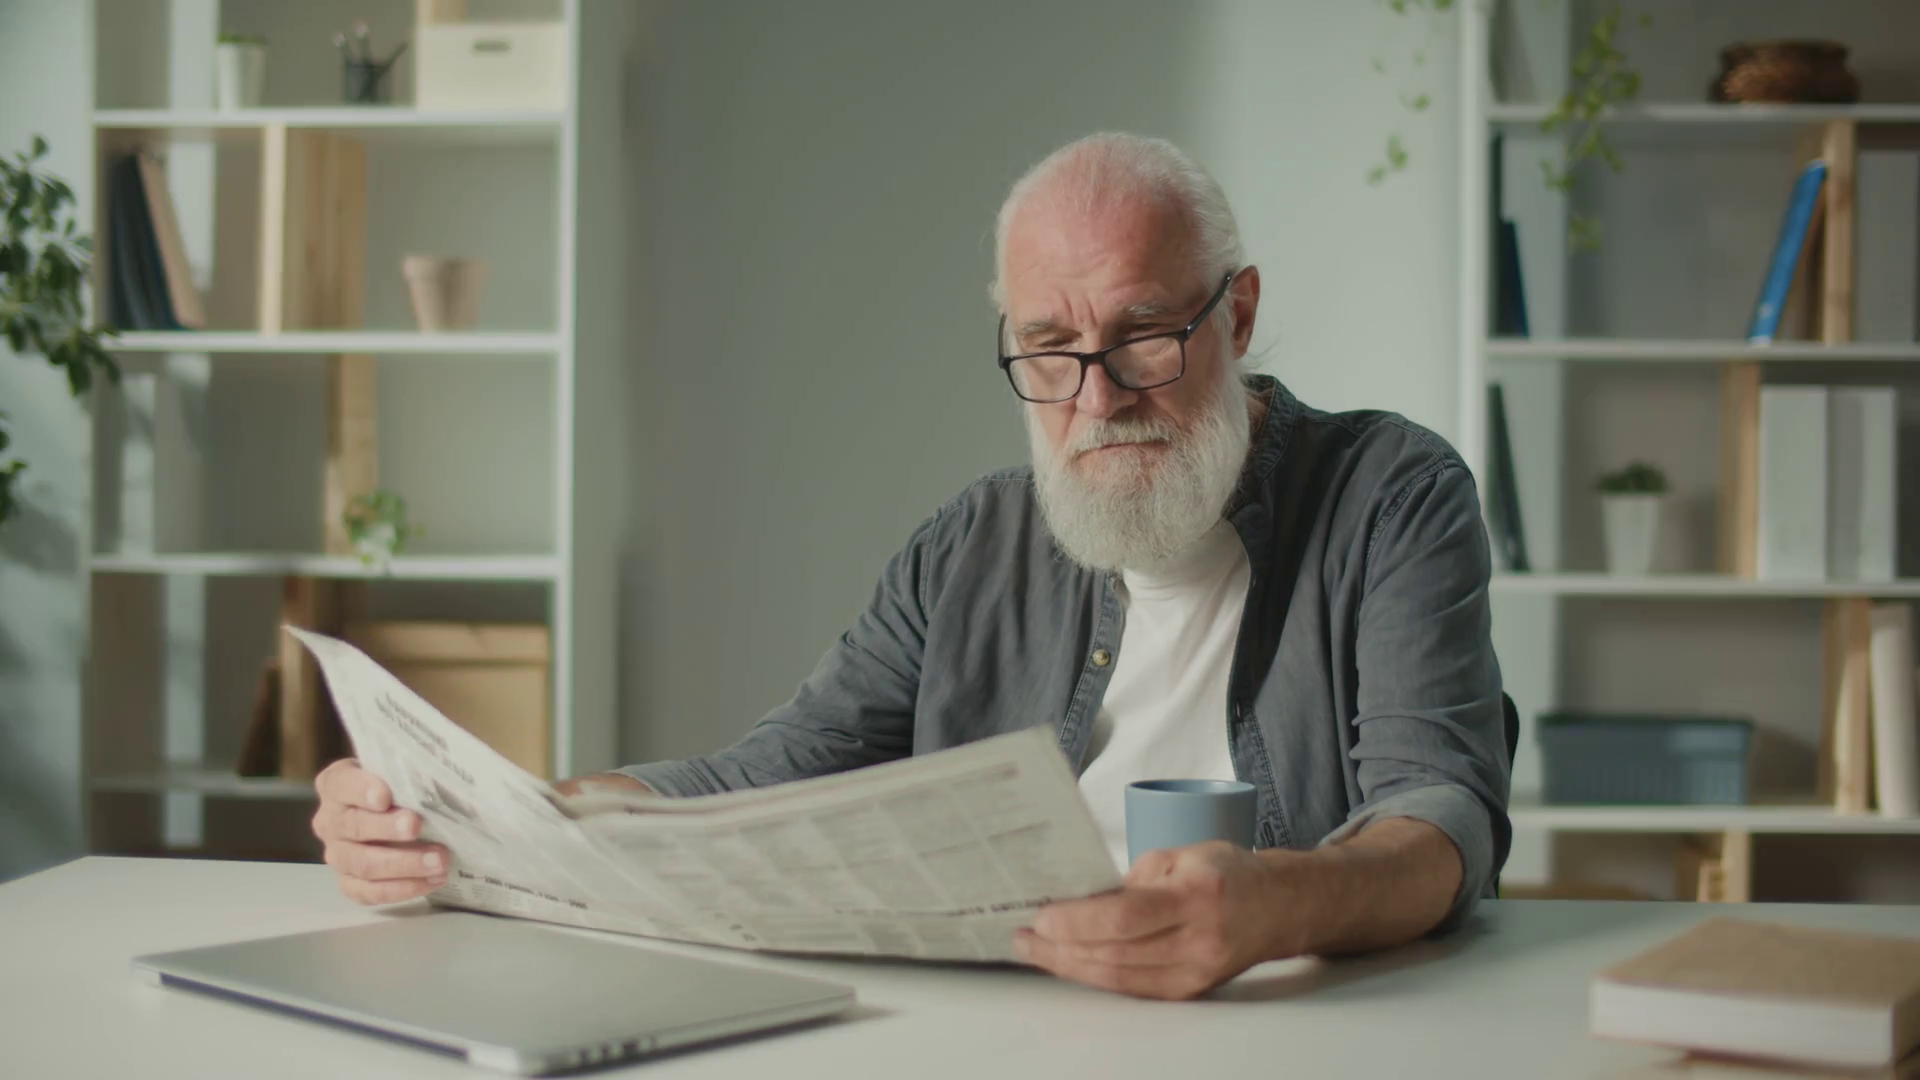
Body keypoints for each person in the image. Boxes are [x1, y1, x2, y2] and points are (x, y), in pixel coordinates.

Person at [311, 132, 1510, 1001]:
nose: (1096, 399)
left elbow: (1439, 811)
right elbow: (762, 779)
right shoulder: (971, 545)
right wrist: (489, 819)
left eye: (1144, 336)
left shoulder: (1390, 495)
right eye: (1050, 349)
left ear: (1235, 315)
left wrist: (1273, 906)